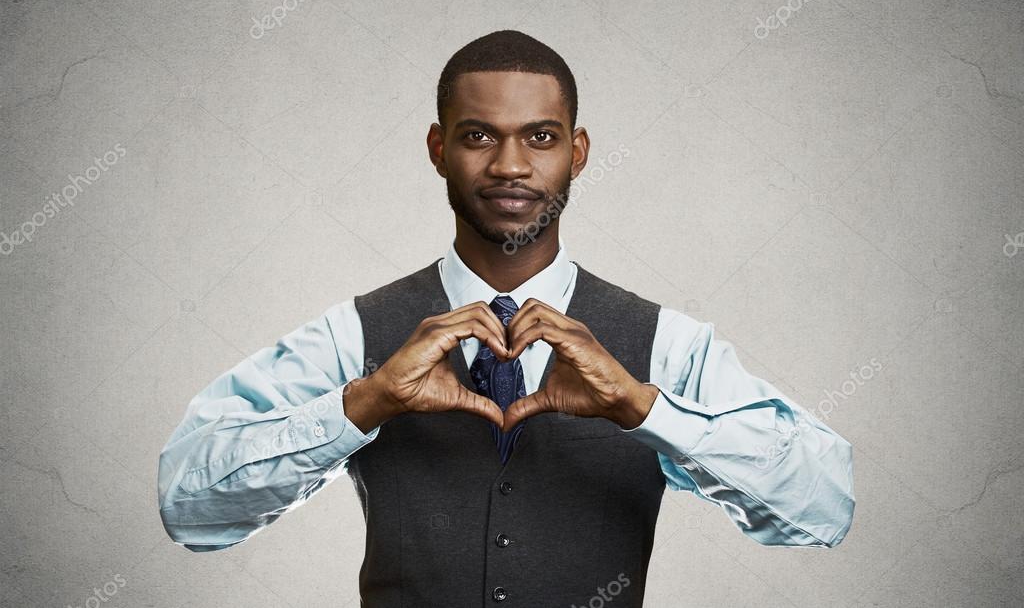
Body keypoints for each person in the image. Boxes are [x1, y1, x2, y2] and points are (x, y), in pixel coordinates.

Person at [158, 30, 855, 606]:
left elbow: (824, 505)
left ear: (577, 153)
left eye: (541, 137)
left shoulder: (666, 345)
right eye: (479, 136)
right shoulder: (356, 335)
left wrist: (643, 407)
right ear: (439, 149)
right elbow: (188, 505)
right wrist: (364, 403)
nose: (511, 165)